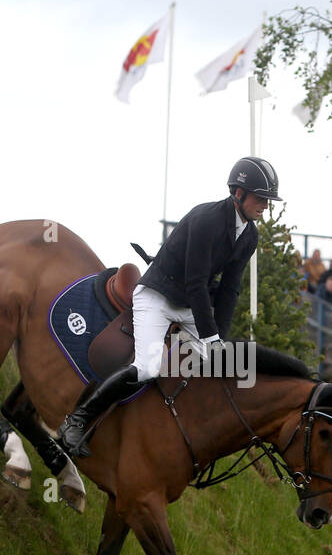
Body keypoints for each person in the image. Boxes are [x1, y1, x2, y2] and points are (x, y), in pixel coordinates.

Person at [57, 156, 277, 456]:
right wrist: (209, 336)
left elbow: (230, 289)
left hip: (188, 305)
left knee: (219, 366)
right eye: (261, 198)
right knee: (148, 367)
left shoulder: (249, 235)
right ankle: (77, 420)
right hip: (158, 296)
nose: (265, 205)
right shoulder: (206, 219)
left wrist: (219, 339)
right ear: (238, 193)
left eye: (268, 200)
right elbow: (196, 282)